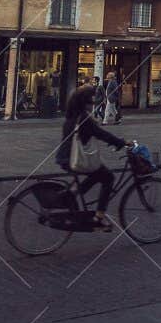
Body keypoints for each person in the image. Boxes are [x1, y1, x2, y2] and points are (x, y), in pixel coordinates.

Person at [56, 81, 127, 229]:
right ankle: (99, 217)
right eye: (91, 100)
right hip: (73, 158)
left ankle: (73, 193)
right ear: (86, 102)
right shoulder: (84, 119)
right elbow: (101, 134)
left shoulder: (72, 115)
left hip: (63, 158)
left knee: (96, 173)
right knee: (108, 177)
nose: (93, 103)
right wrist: (120, 142)